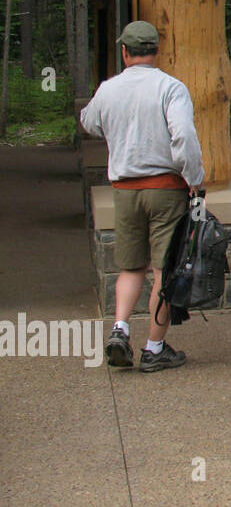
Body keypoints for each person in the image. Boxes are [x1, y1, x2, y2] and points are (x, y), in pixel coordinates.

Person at [80, 20, 203, 373]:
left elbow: (89, 122)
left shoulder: (108, 89)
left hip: (124, 190)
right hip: (165, 189)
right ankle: (154, 347)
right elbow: (183, 137)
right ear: (156, 50)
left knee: (130, 266)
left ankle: (119, 329)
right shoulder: (171, 87)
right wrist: (195, 178)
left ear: (124, 52)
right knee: (164, 269)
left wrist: (115, 128)